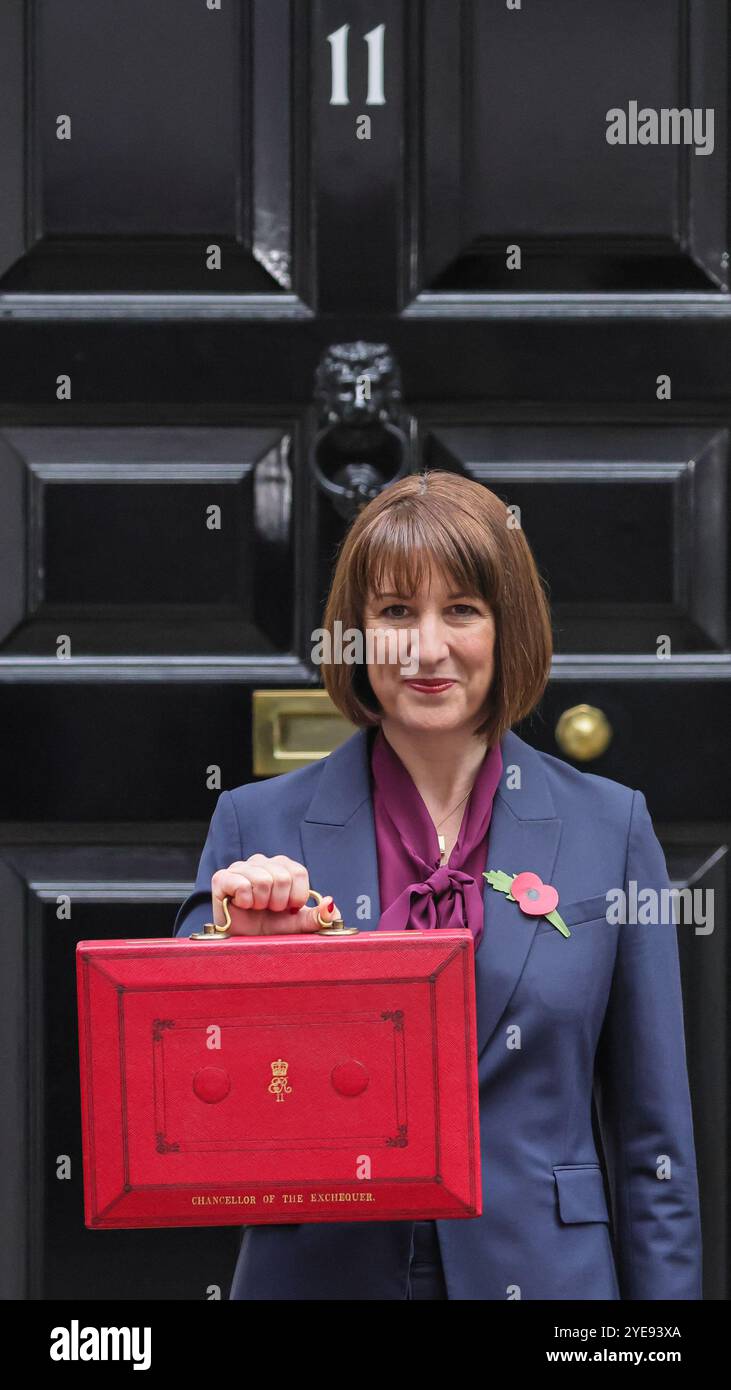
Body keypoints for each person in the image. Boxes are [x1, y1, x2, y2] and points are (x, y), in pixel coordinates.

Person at [173, 469, 703, 1301]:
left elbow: (652, 1140)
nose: (426, 648)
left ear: (507, 628)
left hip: (547, 1280)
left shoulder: (611, 829)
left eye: (460, 610)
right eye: (393, 613)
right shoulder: (256, 826)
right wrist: (234, 949)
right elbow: (182, 1088)